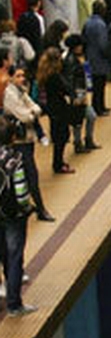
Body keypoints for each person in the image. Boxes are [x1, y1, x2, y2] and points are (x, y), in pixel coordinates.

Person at [4, 67, 54, 222]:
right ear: (11, 78)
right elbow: (26, 116)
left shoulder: (21, 91)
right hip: (19, 141)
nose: (22, 78)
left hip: (28, 138)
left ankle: (27, 206)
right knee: (31, 174)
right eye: (18, 76)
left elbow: (36, 108)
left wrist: (31, 112)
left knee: (26, 174)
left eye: (23, 75)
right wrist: (31, 113)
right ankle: (40, 209)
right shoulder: (9, 94)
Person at [0, 116, 37, 317]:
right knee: (14, 257)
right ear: (12, 137)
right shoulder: (14, 159)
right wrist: (27, 207)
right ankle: (14, 304)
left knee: (3, 254)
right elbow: (21, 190)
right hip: (13, 214)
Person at [37, 47, 76, 174]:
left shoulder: (44, 73)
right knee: (62, 136)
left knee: (57, 134)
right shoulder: (55, 76)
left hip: (51, 107)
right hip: (59, 107)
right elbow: (67, 89)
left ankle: (58, 162)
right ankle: (58, 164)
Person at [62, 35, 98, 153]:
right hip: (77, 93)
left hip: (81, 91)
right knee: (83, 118)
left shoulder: (78, 58)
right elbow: (70, 79)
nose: (81, 47)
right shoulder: (71, 61)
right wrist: (75, 96)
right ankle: (81, 142)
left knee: (81, 118)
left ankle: (84, 141)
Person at [82, 0, 111, 116]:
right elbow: (103, 43)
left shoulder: (88, 22)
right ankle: (99, 108)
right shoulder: (100, 24)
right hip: (100, 58)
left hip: (91, 56)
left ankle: (100, 106)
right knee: (100, 84)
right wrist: (109, 54)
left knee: (96, 84)